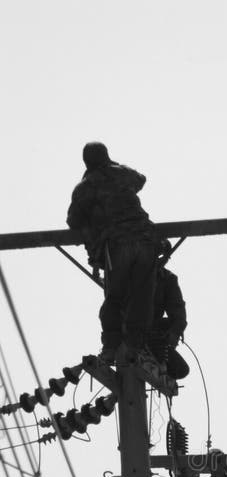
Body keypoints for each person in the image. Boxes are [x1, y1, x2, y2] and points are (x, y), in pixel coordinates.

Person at [66, 142, 158, 362]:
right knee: (142, 297)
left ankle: (111, 346)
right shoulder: (123, 174)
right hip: (146, 240)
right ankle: (134, 344)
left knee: (115, 297)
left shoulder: (85, 187)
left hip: (118, 243)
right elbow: (140, 179)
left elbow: (73, 220)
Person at [148, 246, 189, 379]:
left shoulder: (167, 279)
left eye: (165, 256)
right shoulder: (128, 273)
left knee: (181, 370)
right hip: (128, 331)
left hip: (151, 333)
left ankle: (158, 355)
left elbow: (177, 312)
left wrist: (174, 333)